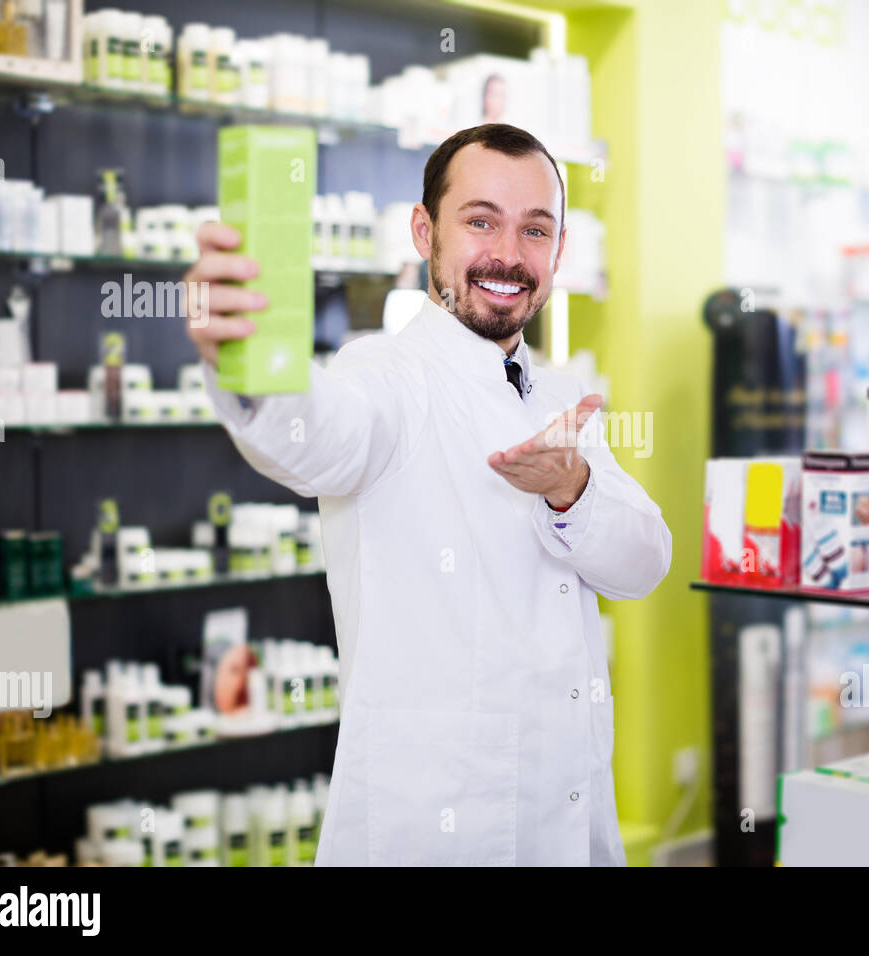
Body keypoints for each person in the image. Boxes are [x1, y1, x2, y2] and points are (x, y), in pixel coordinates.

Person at [182, 123, 672, 866]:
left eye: (534, 230)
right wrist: (249, 366)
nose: (508, 255)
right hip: (434, 832)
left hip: (570, 830)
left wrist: (573, 489)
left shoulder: (565, 399)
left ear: (559, 251)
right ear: (425, 232)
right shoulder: (384, 376)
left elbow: (645, 562)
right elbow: (315, 431)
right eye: (480, 222)